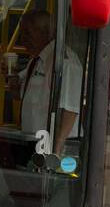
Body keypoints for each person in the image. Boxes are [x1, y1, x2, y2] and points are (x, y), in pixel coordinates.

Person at [12, 9, 83, 156]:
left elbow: (71, 108)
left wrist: (56, 150)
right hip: (36, 143)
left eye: (28, 33)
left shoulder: (64, 61)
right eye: (22, 33)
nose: (22, 39)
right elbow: (22, 95)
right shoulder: (36, 60)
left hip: (57, 147)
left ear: (47, 33)